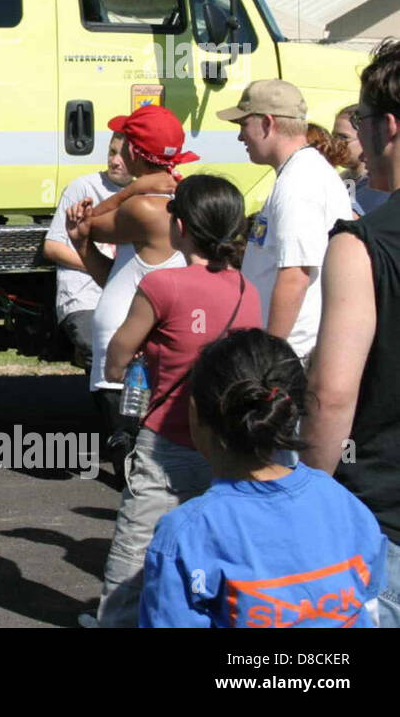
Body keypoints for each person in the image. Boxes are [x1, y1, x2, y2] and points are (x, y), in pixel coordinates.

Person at [91, 175, 262, 627]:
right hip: (224, 444)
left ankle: (118, 622)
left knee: (137, 541)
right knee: (215, 541)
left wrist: (120, 373)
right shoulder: (248, 290)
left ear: (181, 225)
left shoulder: (163, 286)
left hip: (167, 437)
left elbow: (119, 351)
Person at [141, 328, 388, 628]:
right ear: (290, 411)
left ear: (195, 413)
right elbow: (369, 608)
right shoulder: (346, 505)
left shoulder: (186, 535)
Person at [304, 38, 400, 627]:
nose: (357, 138)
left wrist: (305, 495)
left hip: (383, 515)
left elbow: (329, 394)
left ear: (388, 124)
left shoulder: (361, 243)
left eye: (361, 121)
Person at [66, 106, 197, 431]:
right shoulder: (184, 193)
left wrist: (131, 189)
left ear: (135, 151)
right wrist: (83, 248)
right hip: (159, 335)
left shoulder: (141, 205)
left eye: (124, 142)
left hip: (125, 347)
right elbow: (117, 276)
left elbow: (89, 224)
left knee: (131, 443)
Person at [217, 79, 353, 363]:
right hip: (290, 350)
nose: (241, 137)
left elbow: (295, 276)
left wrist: (270, 356)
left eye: (243, 125)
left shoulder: (299, 184)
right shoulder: (301, 174)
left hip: (292, 354)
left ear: (267, 123)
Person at [43, 132, 132, 370]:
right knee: (99, 349)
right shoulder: (83, 188)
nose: (115, 161)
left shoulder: (149, 194)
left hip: (131, 295)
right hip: (86, 295)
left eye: (123, 155)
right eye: (112, 152)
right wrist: (107, 268)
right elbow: (52, 246)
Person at [333, 103, 388, 216]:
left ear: (365, 137)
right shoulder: (340, 179)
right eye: (333, 136)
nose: (335, 143)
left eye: (343, 137)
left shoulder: (379, 186)